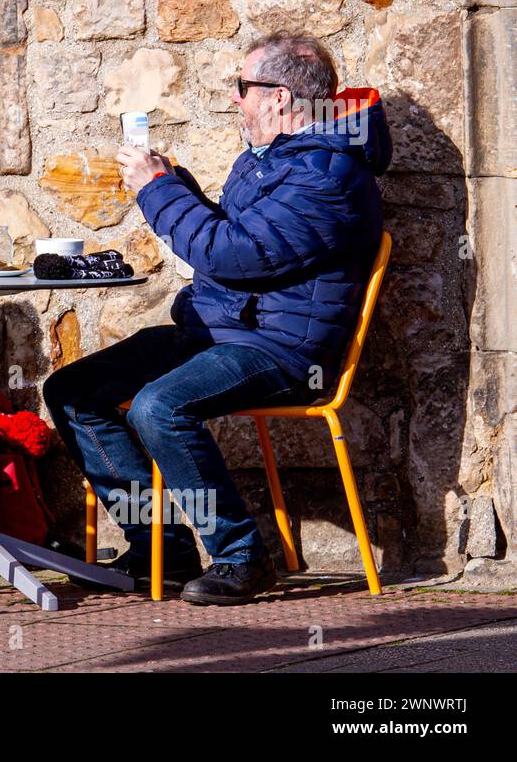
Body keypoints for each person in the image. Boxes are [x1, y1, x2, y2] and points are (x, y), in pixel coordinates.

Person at [43, 31, 392, 606]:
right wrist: (174, 184)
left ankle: (242, 556)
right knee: (74, 391)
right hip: (220, 328)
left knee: (161, 406)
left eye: (242, 87)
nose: (236, 99)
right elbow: (232, 239)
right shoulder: (273, 160)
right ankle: (161, 548)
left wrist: (157, 192)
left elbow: (229, 254)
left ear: (279, 97)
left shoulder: (326, 176)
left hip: (281, 348)